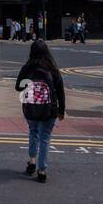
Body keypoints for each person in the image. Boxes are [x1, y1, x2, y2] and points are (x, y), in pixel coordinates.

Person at [15, 39, 65, 183]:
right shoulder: (52, 68)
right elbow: (60, 91)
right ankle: (42, 171)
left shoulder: (28, 67)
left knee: (33, 132)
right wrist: (62, 110)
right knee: (45, 138)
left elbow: (18, 87)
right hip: (49, 109)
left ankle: (31, 162)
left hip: (31, 107)